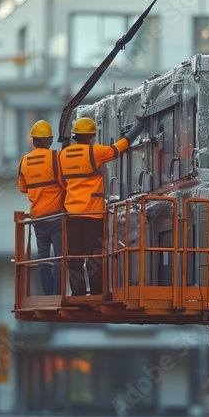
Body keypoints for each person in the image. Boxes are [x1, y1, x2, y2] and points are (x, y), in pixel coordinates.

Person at [59, 116, 144, 296]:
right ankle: (97, 292)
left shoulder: (63, 154)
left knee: (74, 256)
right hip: (92, 212)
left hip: (71, 214)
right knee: (95, 255)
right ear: (91, 137)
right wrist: (140, 125)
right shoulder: (94, 151)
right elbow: (120, 147)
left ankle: (78, 293)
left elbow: (61, 183)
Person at [17, 119, 65, 295]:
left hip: (38, 218)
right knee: (60, 257)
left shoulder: (24, 161)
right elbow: (64, 183)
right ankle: (58, 294)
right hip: (56, 216)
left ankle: (48, 294)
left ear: (34, 141)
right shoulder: (56, 157)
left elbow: (23, 188)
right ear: (50, 140)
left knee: (43, 259)